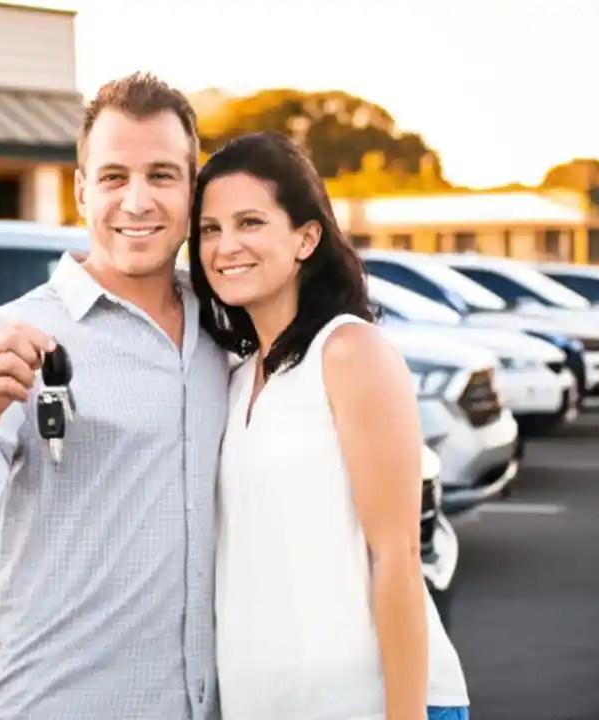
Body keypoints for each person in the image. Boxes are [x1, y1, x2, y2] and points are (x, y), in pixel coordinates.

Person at [0, 72, 230, 719]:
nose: (136, 201)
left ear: (193, 190)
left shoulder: (226, 330)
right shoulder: (15, 333)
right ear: (82, 191)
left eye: (162, 175)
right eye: (114, 177)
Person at [188, 131, 471, 720]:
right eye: (210, 229)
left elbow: (396, 554)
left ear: (306, 237)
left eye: (250, 223)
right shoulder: (239, 376)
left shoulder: (348, 352)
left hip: (373, 705)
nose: (225, 246)